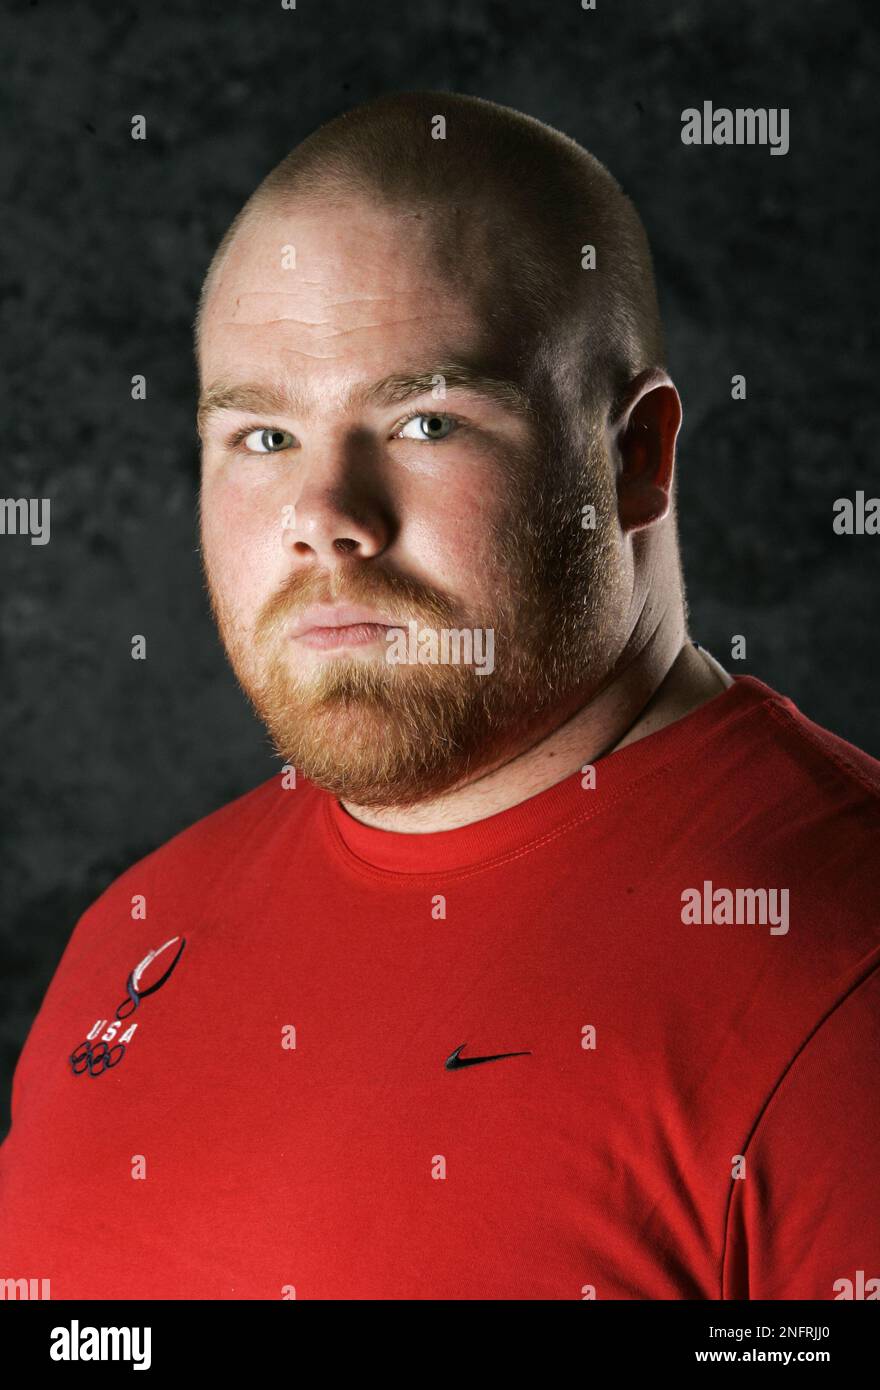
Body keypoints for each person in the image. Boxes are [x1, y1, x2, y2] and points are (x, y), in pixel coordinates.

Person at [1, 91, 878, 1301]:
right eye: (261, 437)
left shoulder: (840, 979)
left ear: (636, 458)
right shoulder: (134, 933)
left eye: (424, 418)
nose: (326, 522)